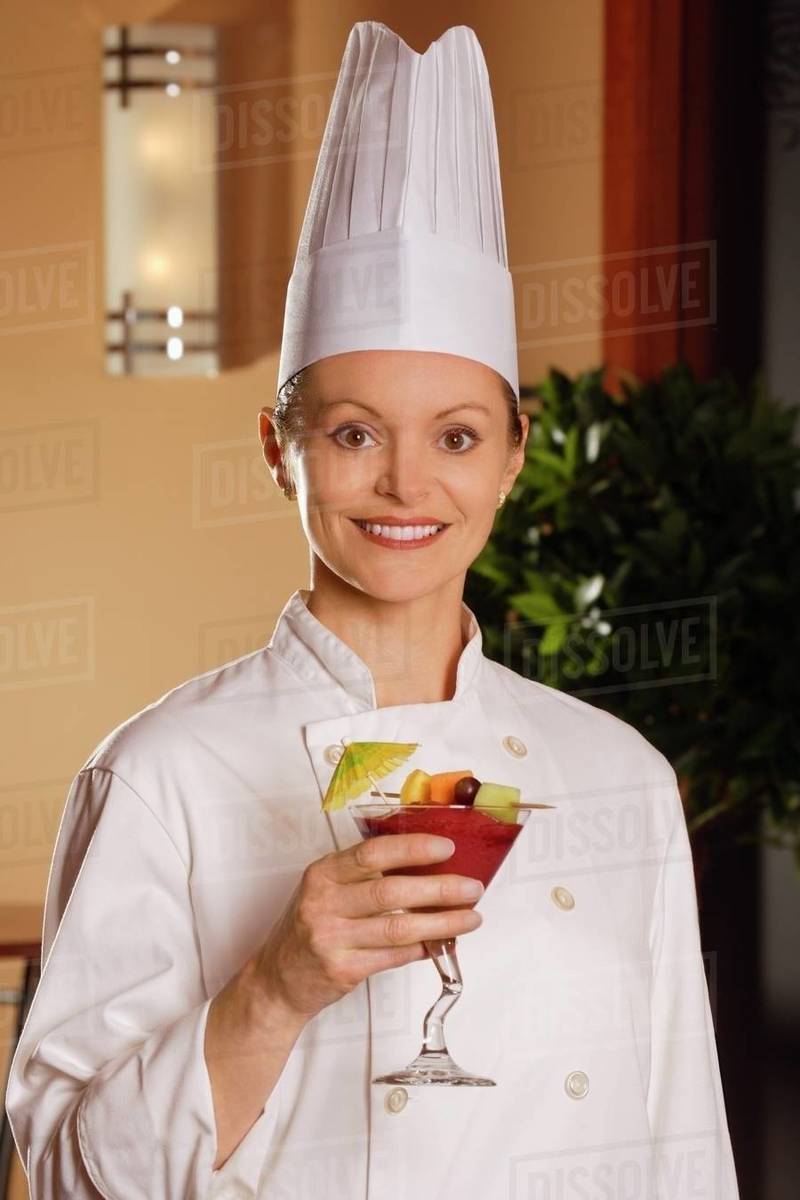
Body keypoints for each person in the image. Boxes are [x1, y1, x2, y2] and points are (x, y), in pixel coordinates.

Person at [5, 21, 739, 1200]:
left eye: (455, 435)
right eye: (353, 434)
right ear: (277, 453)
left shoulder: (618, 778)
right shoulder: (160, 774)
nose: (406, 485)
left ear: (512, 457)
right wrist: (277, 986)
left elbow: (681, 1151)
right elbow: (68, 1173)